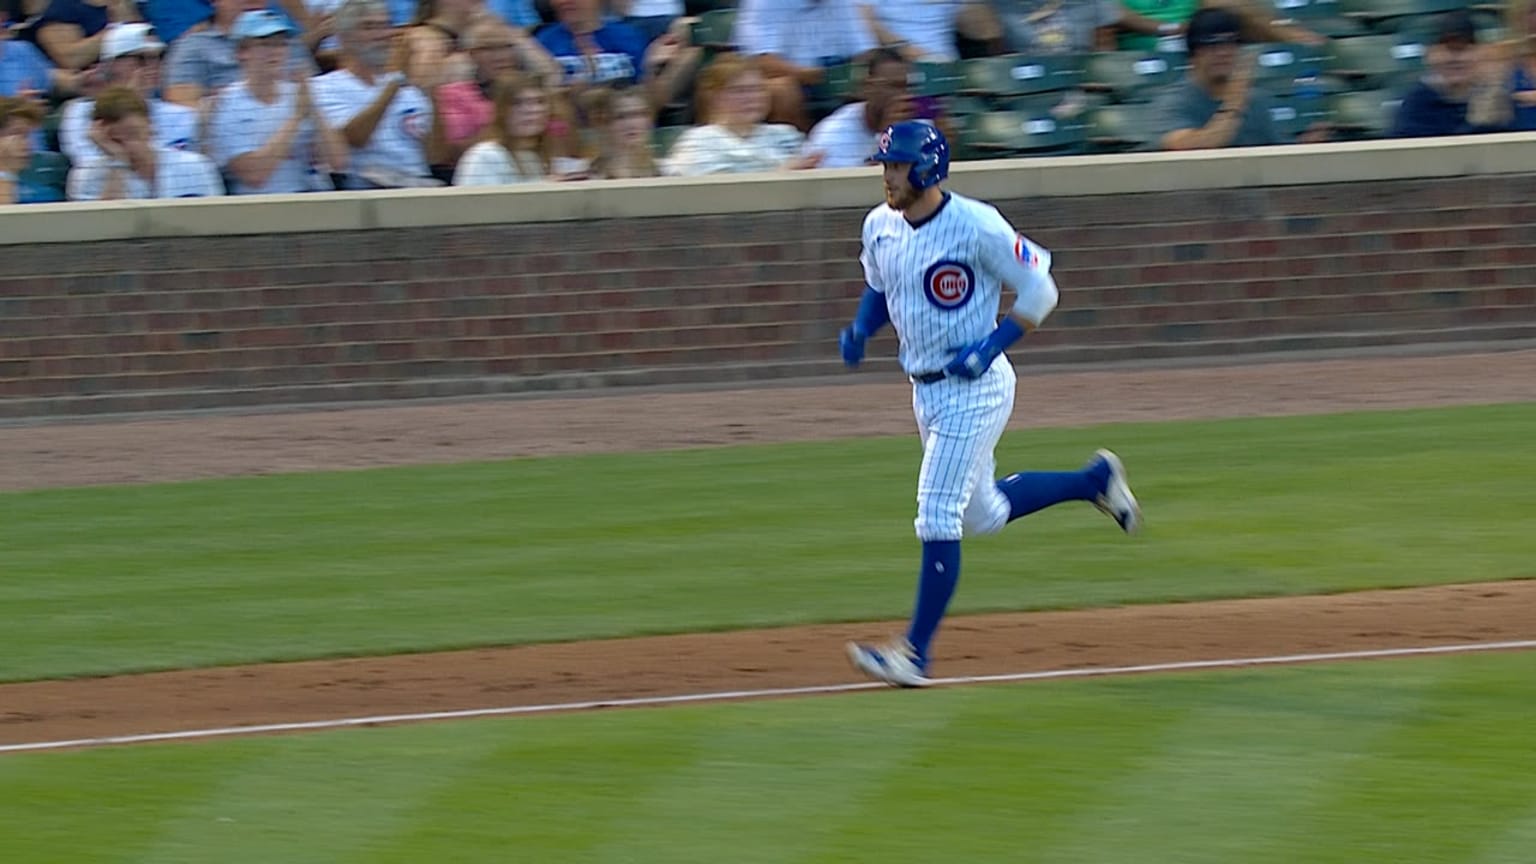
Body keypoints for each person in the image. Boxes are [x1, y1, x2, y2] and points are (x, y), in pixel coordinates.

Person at [838, 120, 1140, 688]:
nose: (888, 177)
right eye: (884, 166)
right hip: (924, 389)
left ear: (927, 167)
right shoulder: (880, 225)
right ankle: (1095, 480)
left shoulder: (976, 225)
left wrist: (991, 345)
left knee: (936, 513)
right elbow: (880, 287)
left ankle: (913, 654)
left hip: (976, 389)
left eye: (897, 166)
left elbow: (1041, 290)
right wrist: (859, 328)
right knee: (983, 513)